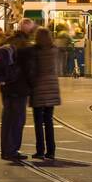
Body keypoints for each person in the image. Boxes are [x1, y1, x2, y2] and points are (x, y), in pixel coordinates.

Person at [0, 20, 37, 161]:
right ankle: (12, 150)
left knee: (7, 118)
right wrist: (31, 86)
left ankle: (6, 149)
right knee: (17, 119)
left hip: (5, 86)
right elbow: (29, 69)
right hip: (19, 86)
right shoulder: (25, 46)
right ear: (28, 30)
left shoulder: (7, 41)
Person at [28, 27, 61, 159]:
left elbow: (32, 69)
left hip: (39, 88)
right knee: (48, 121)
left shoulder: (35, 52)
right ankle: (51, 151)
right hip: (52, 87)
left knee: (38, 121)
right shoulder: (54, 50)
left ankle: (40, 150)